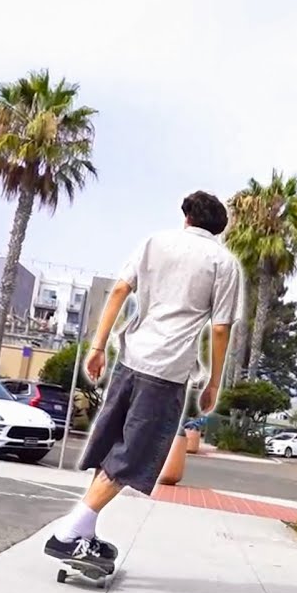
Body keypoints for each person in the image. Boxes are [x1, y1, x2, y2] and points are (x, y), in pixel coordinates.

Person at [43, 191, 244, 571]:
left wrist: (98, 346)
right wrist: (213, 383)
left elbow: (120, 289)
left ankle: (84, 531)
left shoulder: (155, 241)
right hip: (167, 371)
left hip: (130, 358)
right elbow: (220, 329)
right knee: (132, 453)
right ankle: (68, 534)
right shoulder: (223, 262)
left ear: (186, 217)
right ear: (218, 229)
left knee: (113, 446)